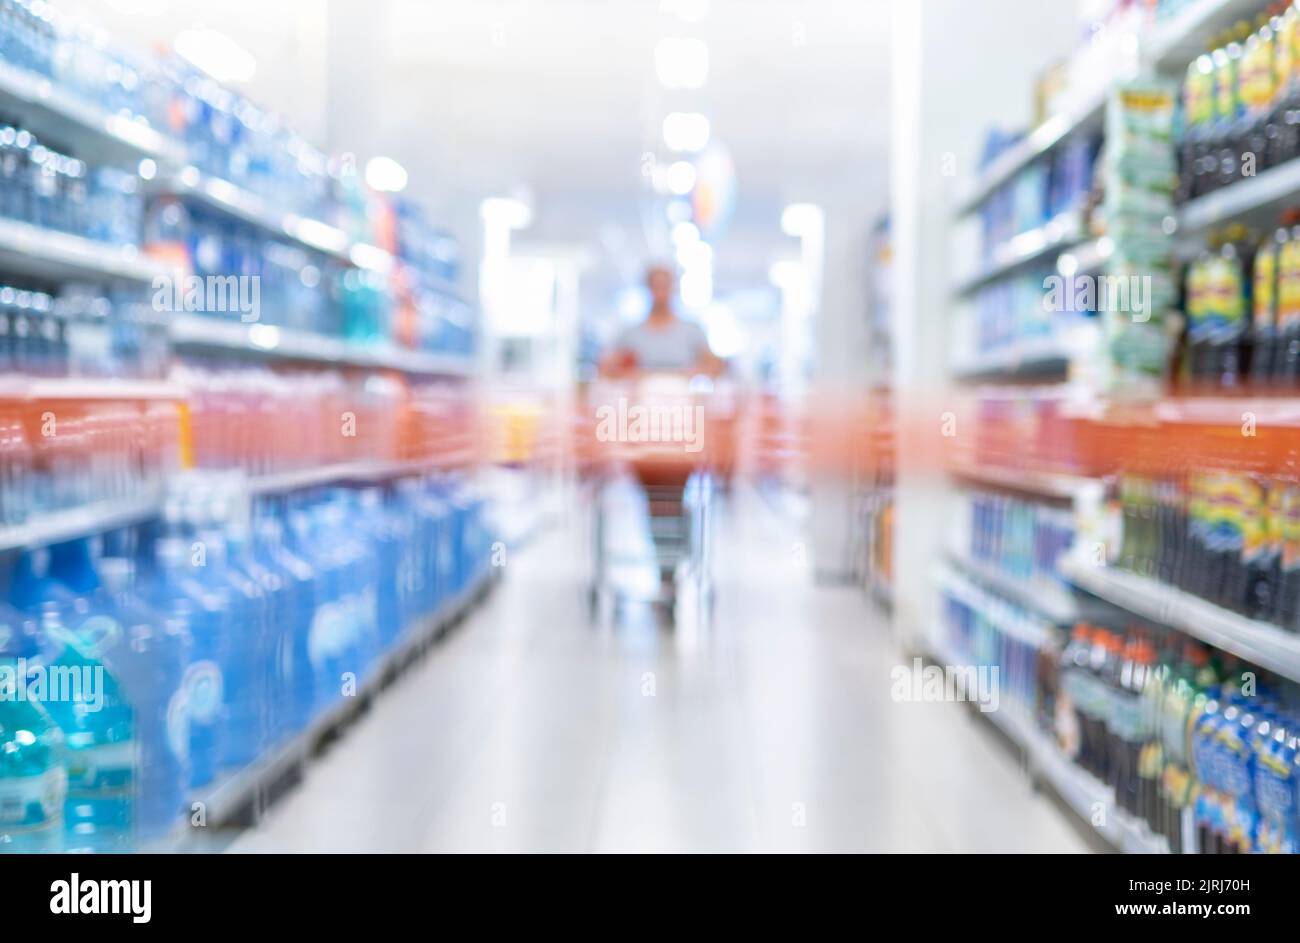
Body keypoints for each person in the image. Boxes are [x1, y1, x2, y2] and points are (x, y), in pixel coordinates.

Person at [599, 265, 723, 378]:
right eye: (655, 287)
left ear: (673, 288)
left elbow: (715, 367)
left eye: (664, 286)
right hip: (640, 398)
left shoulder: (692, 330)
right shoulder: (630, 333)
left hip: (684, 398)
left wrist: (699, 371)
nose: (660, 293)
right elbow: (607, 367)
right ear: (647, 289)